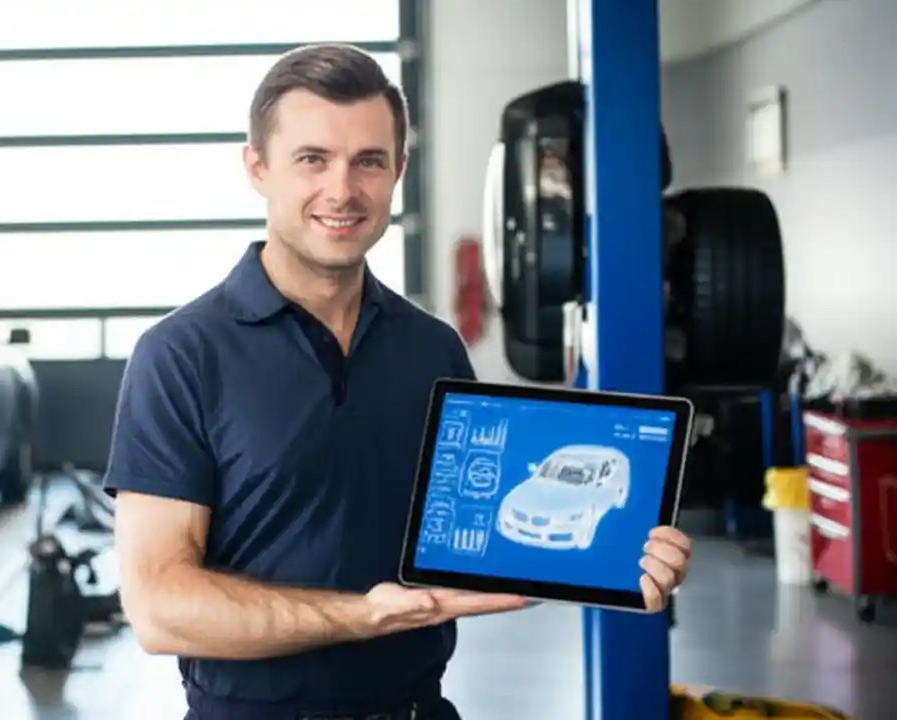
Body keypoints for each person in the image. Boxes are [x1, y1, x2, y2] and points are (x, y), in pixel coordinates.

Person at [102, 43, 693, 720]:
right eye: (312, 159)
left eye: (369, 162)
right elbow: (159, 609)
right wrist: (363, 616)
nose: (342, 190)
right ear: (257, 167)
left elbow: (495, 539)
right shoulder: (180, 357)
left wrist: (626, 563)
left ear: (398, 171)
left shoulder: (432, 349)